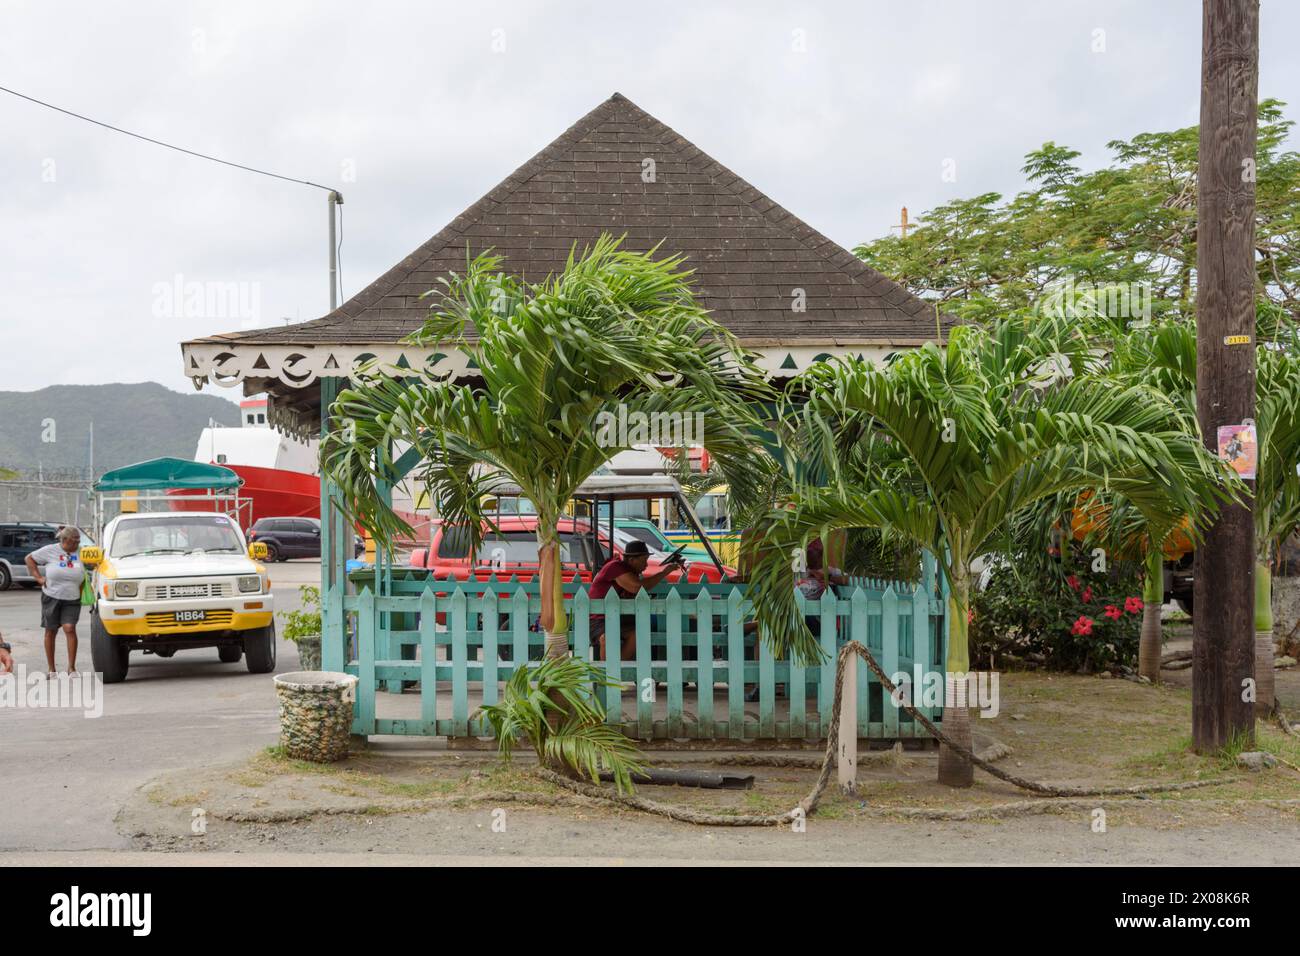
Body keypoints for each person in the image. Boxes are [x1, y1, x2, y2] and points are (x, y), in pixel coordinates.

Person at [588, 540, 683, 660]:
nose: (646, 565)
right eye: (644, 560)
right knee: (608, 637)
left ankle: (619, 669)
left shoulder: (630, 572)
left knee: (638, 633)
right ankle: (608, 672)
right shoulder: (615, 567)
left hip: (618, 618)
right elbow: (636, 587)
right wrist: (664, 573)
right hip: (600, 620)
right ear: (632, 560)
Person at [25, 526, 84, 676]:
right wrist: (38, 577)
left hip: (73, 597)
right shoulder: (50, 550)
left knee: (69, 628)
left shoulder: (81, 552)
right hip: (51, 596)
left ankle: (71, 668)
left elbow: (95, 563)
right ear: (64, 540)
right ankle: (51, 669)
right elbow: (29, 559)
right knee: (51, 630)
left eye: (78, 541)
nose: (77, 544)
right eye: (74, 542)